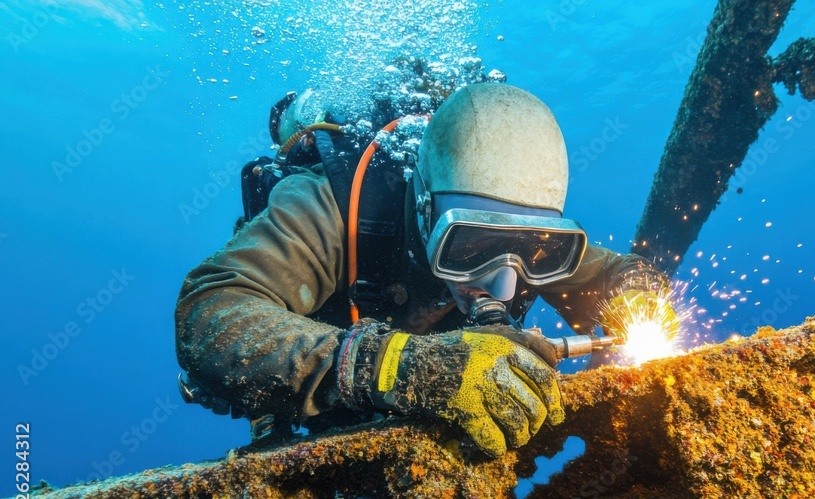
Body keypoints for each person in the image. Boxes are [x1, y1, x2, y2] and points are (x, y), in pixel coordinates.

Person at [175, 83, 672, 457]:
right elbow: (210, 310)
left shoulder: (534, 249)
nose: (505, 285)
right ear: (424, 212)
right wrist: (397, 367)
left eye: (531, 248)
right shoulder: (328, 209)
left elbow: (619, 273)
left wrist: (640, 299)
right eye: (472, 246)